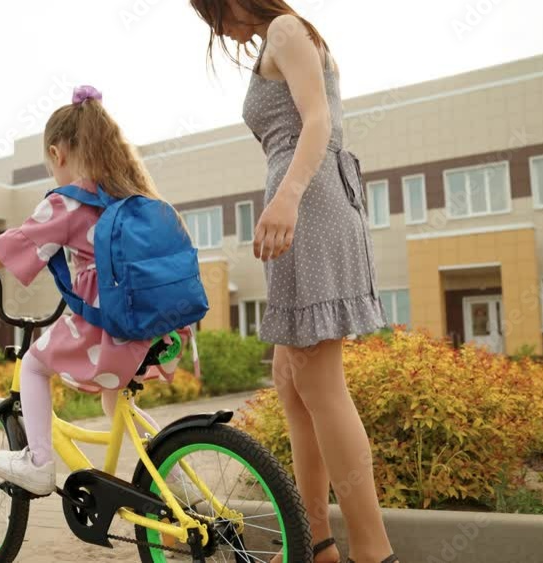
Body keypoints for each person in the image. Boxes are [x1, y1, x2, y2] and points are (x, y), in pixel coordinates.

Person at [189, 2, 397, 563]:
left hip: (310, 204)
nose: (216, 27)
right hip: (307, 201)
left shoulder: (285, 29)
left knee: (321, 383)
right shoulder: (275, 38)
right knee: (291, 379)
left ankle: (373, 552)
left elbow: (319, 121)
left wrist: (287, 197)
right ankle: (314, 544)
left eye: (213, 11)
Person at [0, 85, 193, 499]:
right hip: (158, 324)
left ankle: (39, 463)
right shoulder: (135, 194)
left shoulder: (69, 203)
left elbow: (11, 245)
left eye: (50, 163)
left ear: (57, 154)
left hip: (109, 329)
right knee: (116, 403)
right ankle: (176, 479)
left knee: (35, 366)